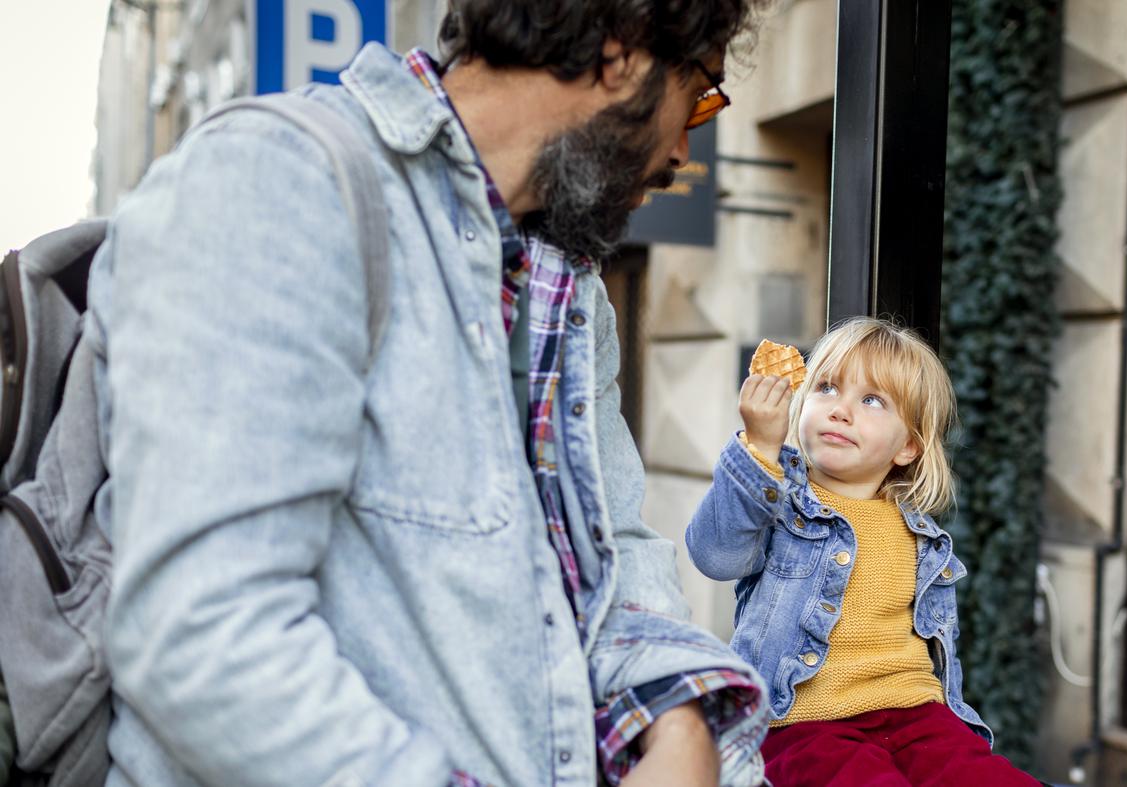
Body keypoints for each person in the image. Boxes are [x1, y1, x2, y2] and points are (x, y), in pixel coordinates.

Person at [91, 1, 770, 785]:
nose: (686, 147)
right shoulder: (280, 180)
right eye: (701, 95)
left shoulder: (568, 285)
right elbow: (201, 637)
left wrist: (678, 720)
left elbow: (612, 559)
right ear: (621, 50)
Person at [685, 318, 1041, 786]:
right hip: (805, 724)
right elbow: (716, 555)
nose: (841, 411)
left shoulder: (920, 534)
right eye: (827, 388)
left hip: (916, 717)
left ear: (909, 446)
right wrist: (757, 450)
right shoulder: (780, 504)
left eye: (872, 400)